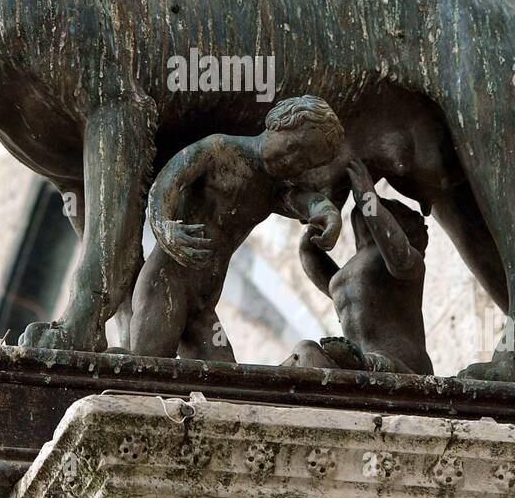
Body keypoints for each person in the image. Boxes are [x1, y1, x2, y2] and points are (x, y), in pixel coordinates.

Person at [130, 95, 345, 360]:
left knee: (224, 382)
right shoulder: (219, 150)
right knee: (146, 368)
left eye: (303, 162)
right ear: (277, 123)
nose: (291, 160)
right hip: (165, 283)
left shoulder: (272, 189)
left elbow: (303, 202)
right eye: (292, 146)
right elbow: (165, 186)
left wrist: (327, 213)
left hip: (205, 302)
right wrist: (166, 229)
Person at [285, 159, 433, 375]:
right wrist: (326, 208)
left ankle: (360, 364)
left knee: (360, 360)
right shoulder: (351, 271)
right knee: (305, 351)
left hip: (402, 366)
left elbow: (395, 250)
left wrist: (368, 199)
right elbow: (308, 251)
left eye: (389, 207)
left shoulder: (409, 264)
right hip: (359, 365)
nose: (379, 206)